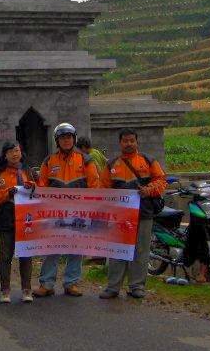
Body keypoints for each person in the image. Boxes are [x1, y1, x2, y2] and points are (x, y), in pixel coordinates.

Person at [99, 129, 167, 300]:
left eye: (132, 141)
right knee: (117, 250)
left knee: (140, 250)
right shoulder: (112, 164)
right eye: (125, 141)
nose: (129, 143)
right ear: (120, 143)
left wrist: (148, 189)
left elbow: (161, 180)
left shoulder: (148, 161)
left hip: (143, 213)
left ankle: (137, 286)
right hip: (119, 216)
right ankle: (113, 287)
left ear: (137, 142)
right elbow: (102, 187)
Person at [36, 123, 100, 298]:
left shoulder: (86, 160)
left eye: (69, 137)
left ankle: (71, 283)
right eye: (63, 138)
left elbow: (94, 185)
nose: (66, 141)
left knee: (76, 247)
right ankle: (46, 284)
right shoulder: (49, 161)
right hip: (55, 213)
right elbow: (42, 185)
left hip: (80, 212)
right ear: (57, 141)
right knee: (52, 247)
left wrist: (90, 208)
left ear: (74, 139)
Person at [0, 142, 36, 304]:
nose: (15, 154)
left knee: (26, 254)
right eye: (10, 151)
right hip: (5, 218)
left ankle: (27, 289)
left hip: (26, 219)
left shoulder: (29, 172)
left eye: (17, 151)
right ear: (5, 155)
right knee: (5, 255)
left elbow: (41, 190)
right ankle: (5, 290)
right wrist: (7, 193)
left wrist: (33, 187)